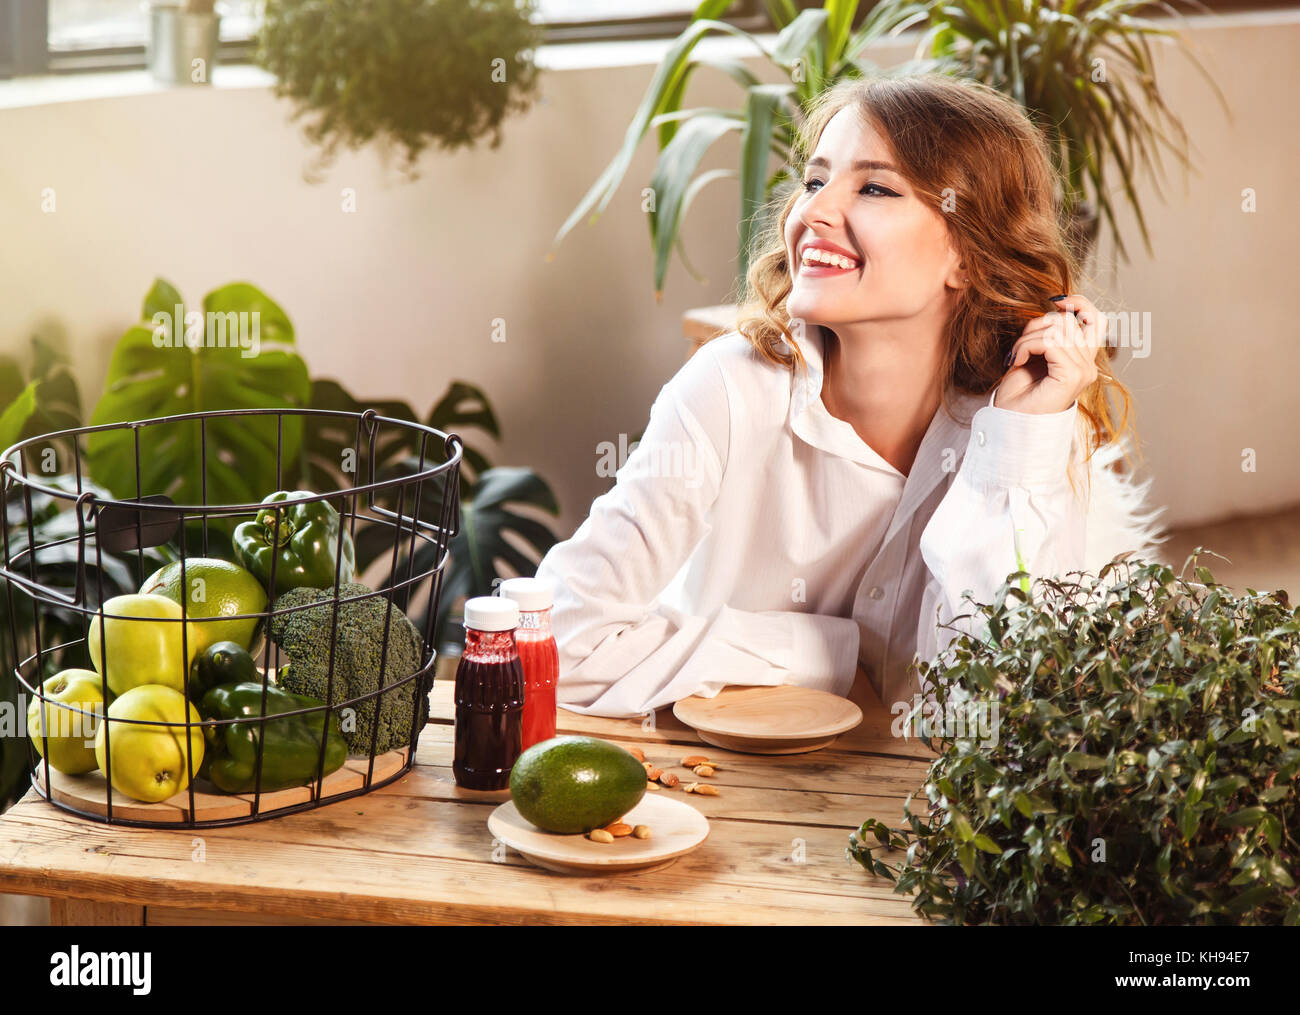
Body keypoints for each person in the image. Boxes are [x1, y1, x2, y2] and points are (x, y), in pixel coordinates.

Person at [535, 74, 1167, 719]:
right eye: (814, 181)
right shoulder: (728, 387)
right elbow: (557, 641)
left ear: (969, 258)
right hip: (724, 789)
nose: (810, 213)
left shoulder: (1025, 423)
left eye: (874, 187)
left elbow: (1009, 705)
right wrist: (832, 656)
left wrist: (1018, 444)